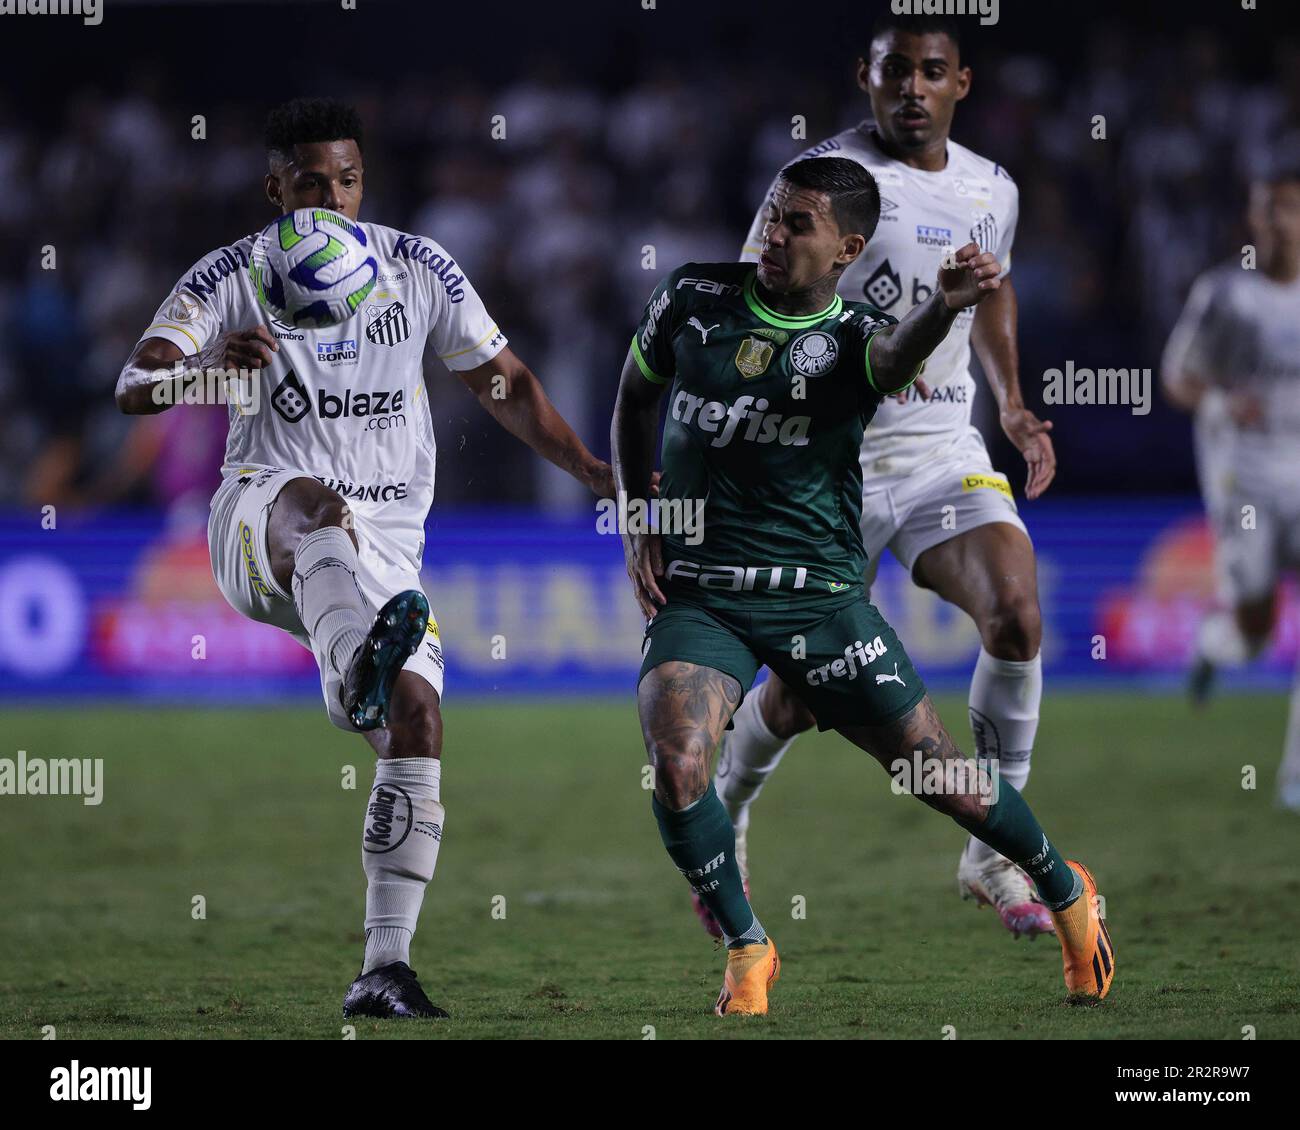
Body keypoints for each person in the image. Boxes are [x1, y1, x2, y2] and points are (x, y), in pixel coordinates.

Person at [115, 97, 613, 1018]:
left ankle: (384, 966)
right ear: (275, 189)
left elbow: (504, 383)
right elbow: (133, 386)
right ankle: (354, 670)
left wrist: (592, 470)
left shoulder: (418, 268)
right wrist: (209, 370)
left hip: (388, 553)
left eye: (347, 179)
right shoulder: (231, 276)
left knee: (416, 724)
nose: (334, 198)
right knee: (317, 511)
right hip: (261, 516)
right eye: (311, 182)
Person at [611, 156, 1113, 1016]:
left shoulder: (852, 339)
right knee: (676, 758)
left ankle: (1066, 890)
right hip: (703, 591)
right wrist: (633, 512)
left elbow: (892, 351)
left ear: (845, 248)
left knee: (943, 779)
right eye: (772, 214)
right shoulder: (690, 298)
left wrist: (948, 302)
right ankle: (749, 949)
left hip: (819, 600)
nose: (773, 235)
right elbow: (632, 402)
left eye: (797, 225)